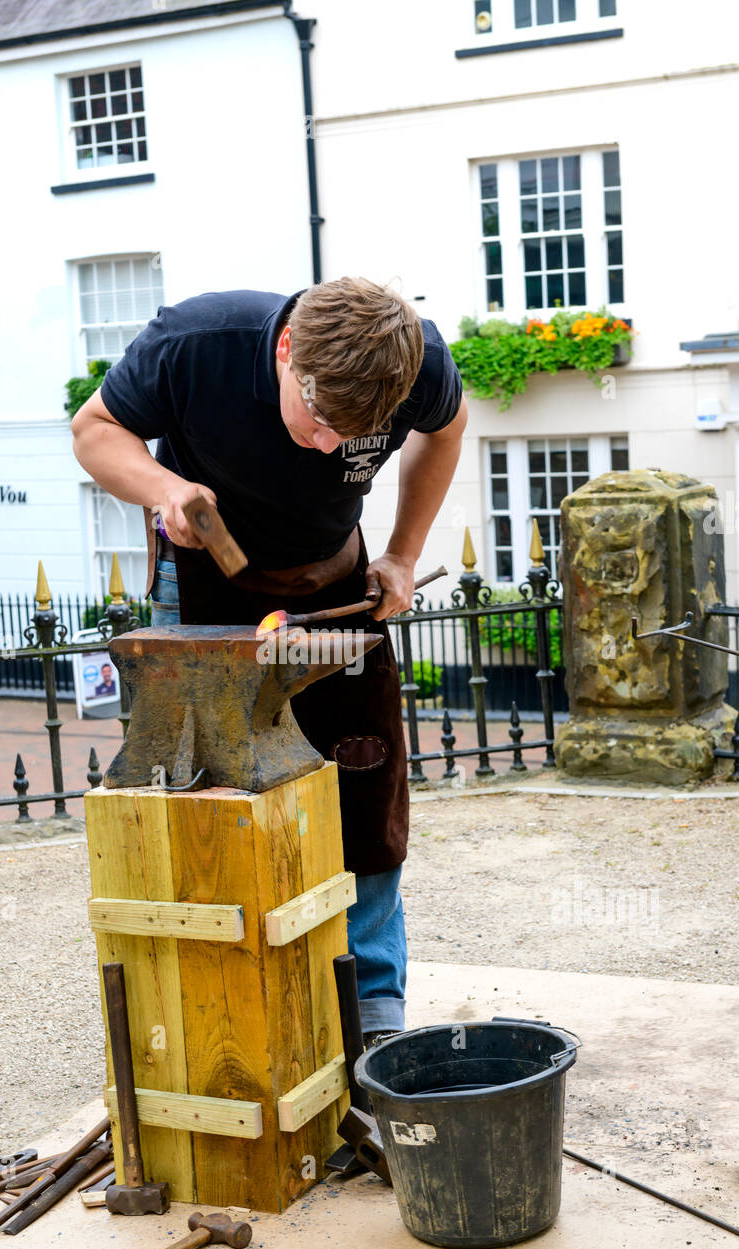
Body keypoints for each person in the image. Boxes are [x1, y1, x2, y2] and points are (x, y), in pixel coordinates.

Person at [72, 277, 467, 1041]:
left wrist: (403, 553)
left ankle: (372, 1011)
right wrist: (162, 486)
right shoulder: (198, 344)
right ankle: (220, 1005)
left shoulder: (417, 360)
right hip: (201, 591)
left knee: (363, 784)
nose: (325, 446)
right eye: (316, 417)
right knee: (203, 795)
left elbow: (444, 433)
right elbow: (94, 431)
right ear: (286, 352)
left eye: (348, 433)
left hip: (331, 582)